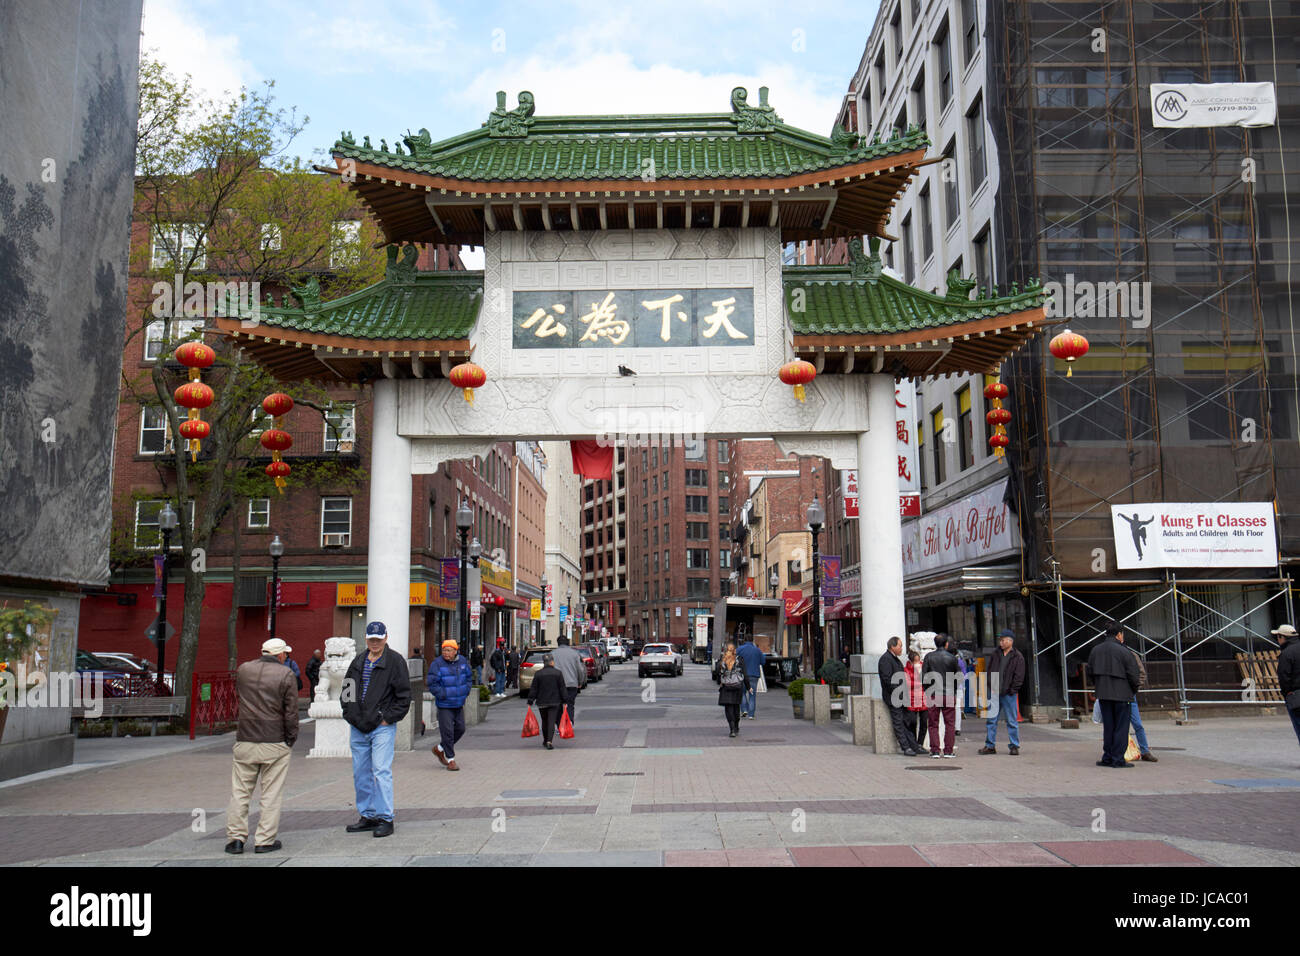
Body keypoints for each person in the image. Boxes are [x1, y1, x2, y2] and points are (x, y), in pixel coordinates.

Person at [226, 637, 299, 855]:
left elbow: (239, 696)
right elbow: (291, 712)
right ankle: (264, 839)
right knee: (271, 793)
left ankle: (235, 839)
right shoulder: (285, 674)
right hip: (274, 740)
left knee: (240, 791)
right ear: (280, 655)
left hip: (245, 737)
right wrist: (290, 738)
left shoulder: (244, 670)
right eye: (285, 653)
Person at [341, 621, 411, 837]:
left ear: (385, 638)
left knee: (380, 771)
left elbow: (403, 696)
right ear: (366, 639)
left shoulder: (396, 662)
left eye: (378, 639)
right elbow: (347, 691)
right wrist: (350, 714)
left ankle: (385, 817)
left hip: (381, 726)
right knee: (360, 773)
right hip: (358, 726)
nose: (375, 643)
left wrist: (386, 719)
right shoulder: (358, 661)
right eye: (371, 639)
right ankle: (368, 814)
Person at [1087, 620, 1141, 768]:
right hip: (1122, 695)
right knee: (1121, 728)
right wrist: (1133, 690)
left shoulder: (1096, 650)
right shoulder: (1124, 651)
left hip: (1103, 694)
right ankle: (1117, 758)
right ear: (1119, 634)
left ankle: (1108, 756)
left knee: (1109, 727)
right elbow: (1134, 675)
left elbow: (1090, 671)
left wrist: (1099, 685)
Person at [426, 638, 473, 771]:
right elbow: (432, 682)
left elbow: (469, 677)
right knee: (447, 732)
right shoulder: (437, 663)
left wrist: (466, 691)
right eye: (444, 650)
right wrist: (442, 694)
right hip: (444, 704)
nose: (446, 653)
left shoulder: (463, 661)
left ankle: (439, 748)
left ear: (455, 651)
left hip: (458, 702)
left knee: (460, 728)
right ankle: (451, 760)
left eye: (449, 650)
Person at [979, 630, 1025, 755]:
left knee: (1011, 720)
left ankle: (1014, 745)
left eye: (1003, 640)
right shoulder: (996, 654)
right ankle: (990, 745)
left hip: (1009, 694)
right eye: (1000, 640)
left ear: (1010, 641)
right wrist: (990, 685)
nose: (1001, 642)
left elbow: (1019, 676)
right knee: (991, 720)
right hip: (994, 692)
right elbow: (990, 670)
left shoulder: (1017, 656)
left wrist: (1012, 690)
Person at [879, 636, 921, 756]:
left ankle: (913, 745)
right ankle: (906, 747)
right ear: (892, 646)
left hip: (902, 695)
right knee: (898, 722)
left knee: (908, 721)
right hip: (894, 697)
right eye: (900, 646)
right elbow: (887, 680)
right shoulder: (886, 659)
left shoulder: (895, 659)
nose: (901, 648)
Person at [922, 634, 960, 758]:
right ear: (946, 644)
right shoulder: (952, 658)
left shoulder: (929, 657)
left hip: (933, 694)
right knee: (950, 723)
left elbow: (924, 677)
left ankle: (935, 750)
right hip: (948, 693)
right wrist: (953, 689)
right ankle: (948, 751)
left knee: (933, 723)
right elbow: (958, 677)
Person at [1125, 640, 1157, 762]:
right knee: (1122, 725)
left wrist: (1135, 687)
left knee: (1137, 724)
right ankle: (1123, 751)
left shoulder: (1132, 655)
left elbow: (1142, 673)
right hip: (1119, 694)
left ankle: (1145, 750)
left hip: (1130, 693)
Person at [527, 653, 567, 749]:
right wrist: (565, 700)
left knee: (544, 721)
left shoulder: (538, 674)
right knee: (551, 721)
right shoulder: (558, 673)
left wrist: (530, 700)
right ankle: (549, 741)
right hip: (555, 701)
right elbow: (562, 688)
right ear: (552, 662)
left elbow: (534, 689)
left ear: (544, 663)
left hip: (542, 702)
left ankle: (545, 740)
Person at [717, 642, 751, 737]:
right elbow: (745, 674)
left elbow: (717, 672)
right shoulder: (740, 660)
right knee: (736, 707)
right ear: (735, 650)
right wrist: (748, 687)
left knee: (729, 709)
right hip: (737, 687)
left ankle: (731, 728)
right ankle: (736, 726)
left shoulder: (722, 659)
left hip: (726, 688)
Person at [1275, 623, 1300, 748]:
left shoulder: (1286, 653)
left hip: (1296, 695)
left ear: (1282, 637)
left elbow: (1283, 676)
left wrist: (1287, 693)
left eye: (1278, 637)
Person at [553, 636, 586, 725]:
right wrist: (580, 682)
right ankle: (570, 721)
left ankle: (559, 724)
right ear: (568, 643)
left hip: (557, 685)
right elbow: (580, 669)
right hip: (572, 683)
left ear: (558, 643)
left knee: (558, 705)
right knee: (570, 704)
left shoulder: (552, 654)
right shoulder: (575, 654)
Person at [737, 636, 766, 720]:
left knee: (742, 693)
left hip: (742, 675)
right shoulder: (757, 650)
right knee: (752, 695)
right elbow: (763, 662)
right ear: (752, 641)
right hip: (754, 675)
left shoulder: (739, 649)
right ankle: (751, 715)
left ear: (744, 640)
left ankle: (744, 710)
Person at [905, 649, 928, 745]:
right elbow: (908, 684)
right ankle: (913, 743)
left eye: (918, 660)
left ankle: (920, 744)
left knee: (924, 723)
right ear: (910, 662)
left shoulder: (924, 669)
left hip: (923, 700)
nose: (917, 663)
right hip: (912, 700)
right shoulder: (906, 670)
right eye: (915, 661)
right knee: (912, 723)